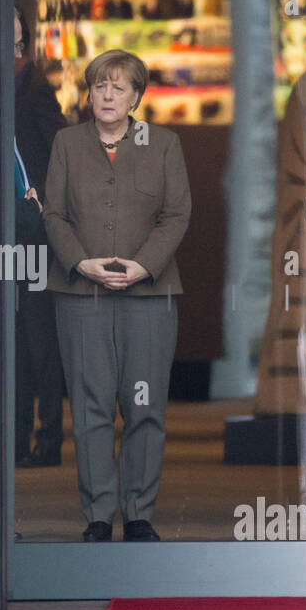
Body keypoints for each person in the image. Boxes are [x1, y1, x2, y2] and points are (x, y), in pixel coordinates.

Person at [41, 49, 190, 542]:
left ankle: (140, 512)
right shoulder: (68, 142)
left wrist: (143, 265)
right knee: (91, 406)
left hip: (148, 295)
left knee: (145, 406)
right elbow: (54, 214)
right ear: (89, 93)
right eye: (100, 86)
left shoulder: (163, 143)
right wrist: (79, 262)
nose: (107, 95)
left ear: (136, 98)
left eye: (119, 88)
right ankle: (99, 515)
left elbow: (176, 214)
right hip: (81, 293)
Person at [13, 6, 68, 469]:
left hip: (33, 233)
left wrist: (46, 206)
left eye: (13, 43)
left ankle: (47, 442)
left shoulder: (34, 90)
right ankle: (14, 441)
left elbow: (62, 149)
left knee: (39, 340)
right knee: (12, 338)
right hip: (2, 235)